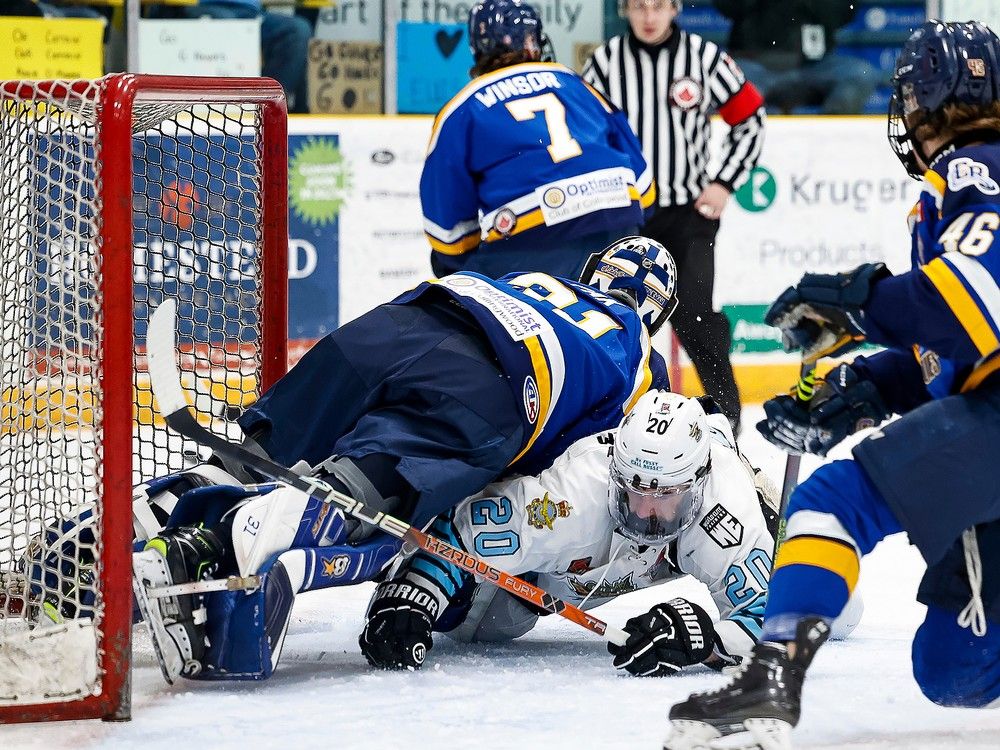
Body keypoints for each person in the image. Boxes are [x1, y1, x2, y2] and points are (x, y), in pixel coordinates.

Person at [129, 236, 677, 683]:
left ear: (594, 269)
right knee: (354, 490)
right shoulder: (642, 365)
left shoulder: (540, 280)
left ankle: (107, 540)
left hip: (407, 319)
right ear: (660, 313)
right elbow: (579, 470)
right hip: (494, 382)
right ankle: (198, 552)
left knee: (258, 454)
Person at [665, 21, 1000, 750]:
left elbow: (963, 299)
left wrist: (857, 299)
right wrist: (865, 389)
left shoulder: (977, 170)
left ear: (933, 99)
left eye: (911, 96)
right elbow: (959, 343)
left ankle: (769, 682)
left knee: (832, 500)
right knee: (952, 670)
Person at [359, 390, 779, 673]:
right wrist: (413, 598)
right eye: (634, 491)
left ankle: (747, 469)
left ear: (698, 481)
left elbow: (775, 620)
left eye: (666, 493)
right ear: (615, 472)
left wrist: (703, 640)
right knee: (475, 624)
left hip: (719, 510)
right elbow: (460, 531)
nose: (647, 512)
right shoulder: (572, 498)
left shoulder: (722, 509)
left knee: (842, 611)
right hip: (552, 577)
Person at [583, 0, 765, 434]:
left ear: (675, 8)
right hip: (625, 214)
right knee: (612, 317)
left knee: (697, 316)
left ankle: (726, 423)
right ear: (625, 9)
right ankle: (605, 420)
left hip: (688, 214)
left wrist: (724, 182)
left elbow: (751, 117)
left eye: (659, 6)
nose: (650, 16)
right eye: (640, 6)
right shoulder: (604, 63)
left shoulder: (703, 58)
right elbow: (583, 133)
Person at [420, 0, 656, 281]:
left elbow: (448, 233)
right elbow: (645, 189)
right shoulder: (576, 83)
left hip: (534, 239)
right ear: (535, 40)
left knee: (459, 283)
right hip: (616, 223)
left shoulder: (461, 108)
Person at [713, 0, 877, 115]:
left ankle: (830, 133)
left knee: (860, 74)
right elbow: (726, 5)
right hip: (756, 63)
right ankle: (758, 132)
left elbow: (846, 11)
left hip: (815, 65)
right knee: (731, 81)